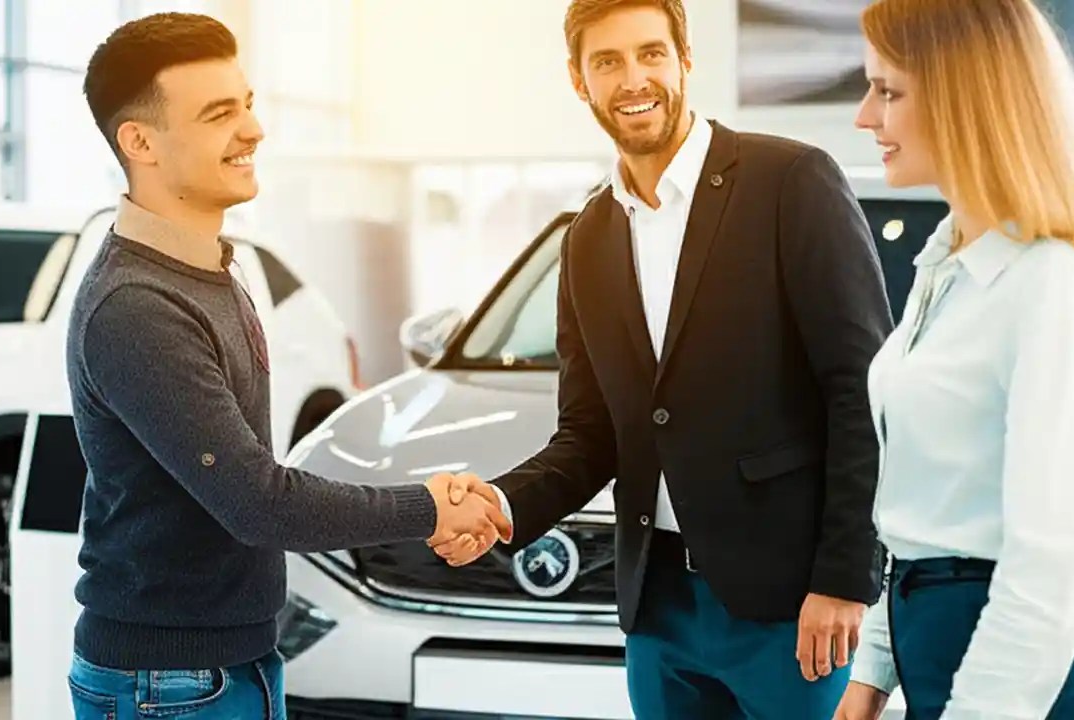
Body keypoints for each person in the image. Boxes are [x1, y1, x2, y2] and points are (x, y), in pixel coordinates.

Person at [430, 0, 893, 716]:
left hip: (790, 605)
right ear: (579, 80)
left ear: (685, 60)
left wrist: (844, 576)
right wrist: (500, 504)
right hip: (657, 609)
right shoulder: (587, 237)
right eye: (607, 62)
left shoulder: (789, 182)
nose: (632, 78)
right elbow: (589, 435)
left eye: (650, 53)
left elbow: (860, 392)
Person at [66, 13, 509, 720]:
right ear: (139, 141)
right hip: (170, 684)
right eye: (219, 114)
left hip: (220, 666)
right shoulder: (136, 307)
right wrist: (430, 506)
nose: (253, 130)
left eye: (246, 103)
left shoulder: (207, 271)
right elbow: (257, 501)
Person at [834, 1, 1074, 718]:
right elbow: (919, 518)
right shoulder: (946, 266)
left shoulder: (1046, 284)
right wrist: (870, 676)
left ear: (965, 97)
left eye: (889, 91)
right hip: (937, 666)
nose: (864, 117)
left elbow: (1050, 572)